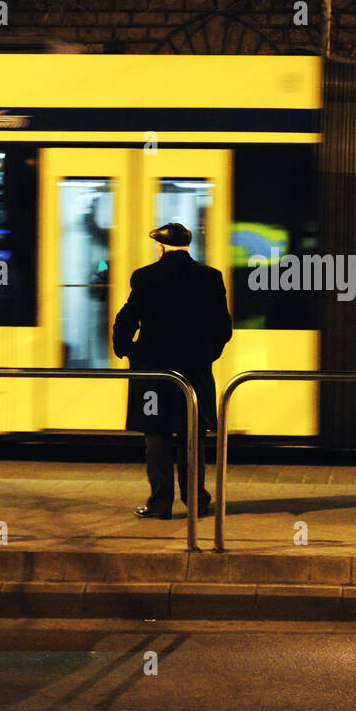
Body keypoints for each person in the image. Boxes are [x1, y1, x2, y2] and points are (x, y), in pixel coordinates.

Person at [112, 221, 232, 519]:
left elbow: (127, 319)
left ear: (161, 247)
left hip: (155, 374)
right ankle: (196, 502)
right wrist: (207, 356)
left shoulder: (145, 277)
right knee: (194, 437)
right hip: (194, 373)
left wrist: (127, 349)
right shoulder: (211, 277)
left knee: (157, 435)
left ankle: (160, 503)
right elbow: (223, 328)